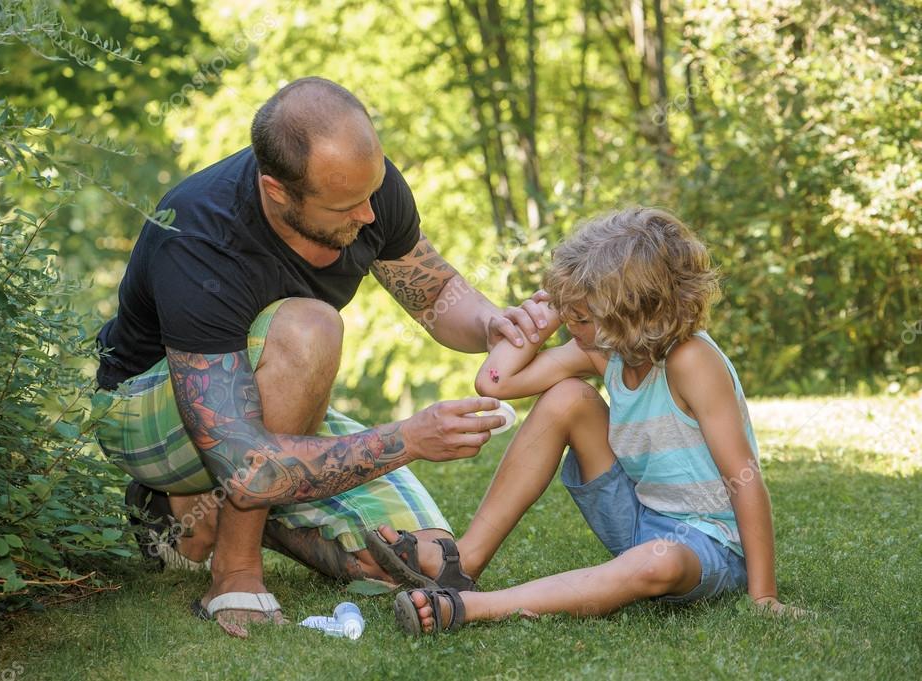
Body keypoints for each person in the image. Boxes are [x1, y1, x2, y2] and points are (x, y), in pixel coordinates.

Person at [92, 77, 547, 638]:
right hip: (153, 412)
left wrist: (491, 322)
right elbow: (244, 467)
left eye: (371, 191)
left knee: (422, 561)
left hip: (264, 412)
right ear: (277, 191)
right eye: (347, 205)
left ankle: (183, 518)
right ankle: (235, 570)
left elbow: (432, 295)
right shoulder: (200, 233)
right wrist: (409, 439)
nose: (370, 214)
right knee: (311, 327)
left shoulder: (365, 186)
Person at [381, 207, 806, 635]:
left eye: (581, 318)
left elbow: (744, 477)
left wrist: (764, 595)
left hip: (706, 543)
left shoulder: (692, 361)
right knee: (567, 397)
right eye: (568, 313)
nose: (571, 326)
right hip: (639, 517)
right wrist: (540, 321)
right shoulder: (603, 350)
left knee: (661, 560)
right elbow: (494, 381)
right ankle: (466, 560)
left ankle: (474, 608)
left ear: (634, 315)